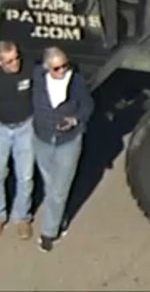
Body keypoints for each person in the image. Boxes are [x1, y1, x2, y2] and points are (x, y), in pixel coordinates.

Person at [31, 46, 94, 252]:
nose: (62, 71)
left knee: (58, 190)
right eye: (57, 68)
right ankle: (60, 217)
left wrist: (74, 120)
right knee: (50, 184)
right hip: (42, 139)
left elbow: (87, 105)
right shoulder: (38, 79)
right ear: (47, 67)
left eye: (65, 66)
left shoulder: (75, 82)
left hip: (68, 141)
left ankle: (49, 232)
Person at [0, 40, 35, 240]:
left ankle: (23, 218)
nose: (15, 64)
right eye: (9, 61)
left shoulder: (29, 68)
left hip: (25, 128)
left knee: (25, 177)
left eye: (16, 58)